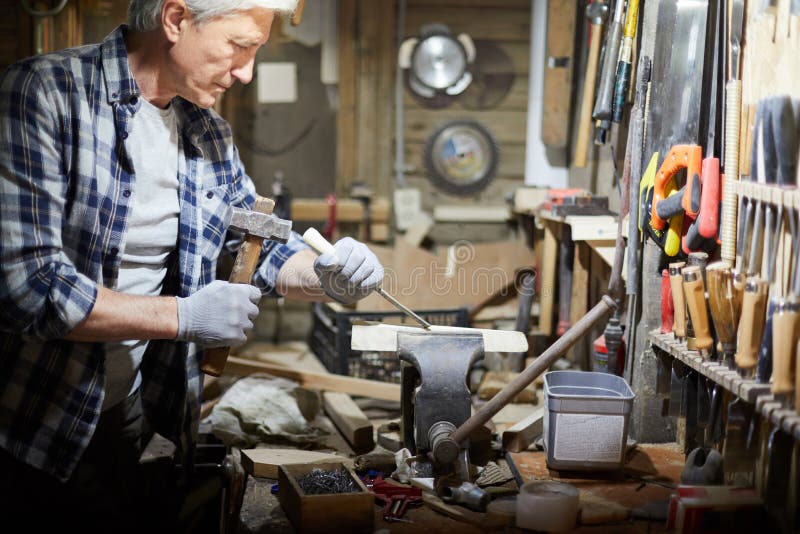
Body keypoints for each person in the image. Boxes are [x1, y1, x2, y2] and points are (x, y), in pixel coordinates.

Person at [0, 0, 384, 529]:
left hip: (134, 410)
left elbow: (260, 246)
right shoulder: (45, 93)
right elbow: (27, 285)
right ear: (177, 20)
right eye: (239, 45)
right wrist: (183, 317)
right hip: (36, 421)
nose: (247, 71)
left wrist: (323, 274)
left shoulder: (208, 133)